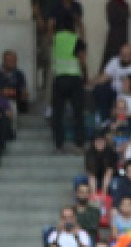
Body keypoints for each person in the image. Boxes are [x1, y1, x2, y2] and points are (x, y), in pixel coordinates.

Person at [51, 23, 88, 155]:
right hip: (74, 78)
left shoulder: (55, 38)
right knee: (78, 113)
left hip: (59, 78)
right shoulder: (76, 39)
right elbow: (82, 58)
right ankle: (79, 145)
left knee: (57, 114)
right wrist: (85, 74)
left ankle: (58, 146)